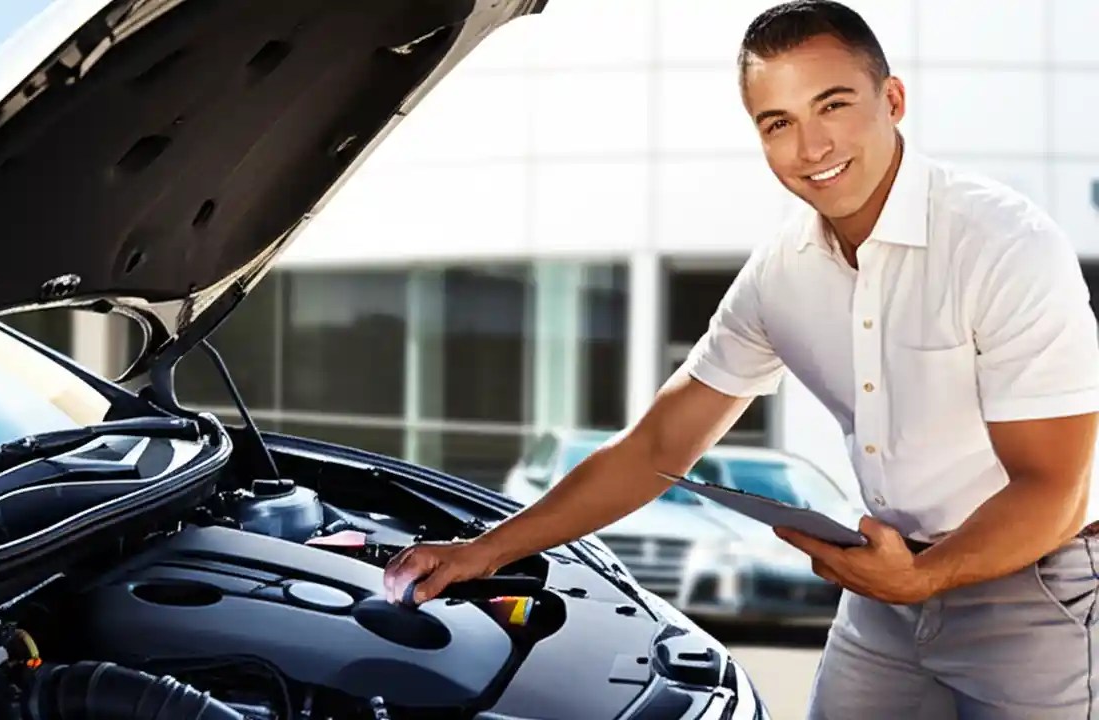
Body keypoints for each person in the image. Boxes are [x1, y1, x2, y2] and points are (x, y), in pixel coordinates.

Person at [382, 1, 1099, 717]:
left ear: (893, 99)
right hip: (885, 591)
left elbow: (1053, 487)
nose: (811, 147)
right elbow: (658, 446)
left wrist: (924, 577)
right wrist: (485, 551)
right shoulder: (781, 274)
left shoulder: (1002, 245)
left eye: (833, 105)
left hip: (1032, 588)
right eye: (778, 123)